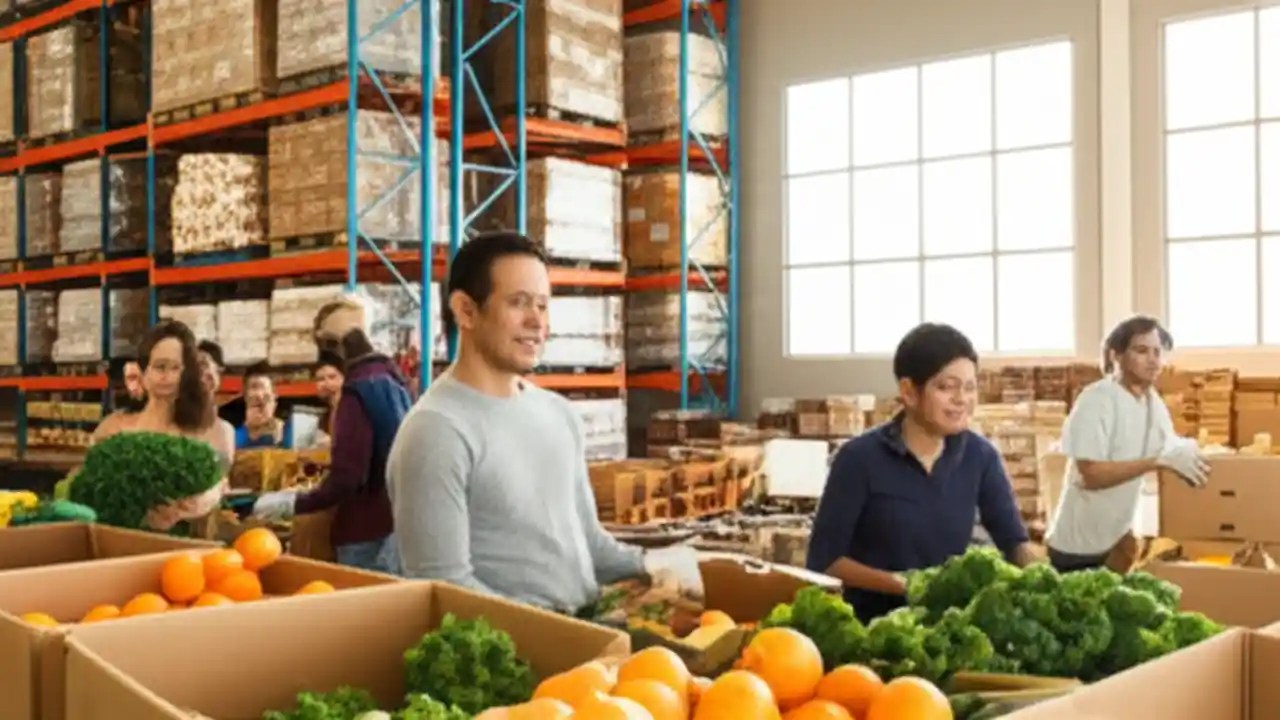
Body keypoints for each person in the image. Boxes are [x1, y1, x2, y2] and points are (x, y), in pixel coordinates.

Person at [385, 231, 701, 613]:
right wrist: (559, 635)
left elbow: (588, 544)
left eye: (543, 305)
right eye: (518, 303)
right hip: (518, 660)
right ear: (466, 310)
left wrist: (656, 565)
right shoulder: (437, 431)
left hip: (586, 643)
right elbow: (442, 588)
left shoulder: (558, 414)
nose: (536, 321)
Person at [806, 323, 1035, 622]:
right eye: (946, 387)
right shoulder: (858, 460)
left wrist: (1044, 580)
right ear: (908, 392)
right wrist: (907, 585)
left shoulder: (980, 457)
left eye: (970, 387)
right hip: (871, 629)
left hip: (947, 627)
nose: (961, 399)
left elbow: (1014, 542)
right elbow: (825, 561)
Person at [250, 297, 409, 574]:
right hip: (398, 527)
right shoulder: (394, 381)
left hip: (365, 536)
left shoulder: (358, 390)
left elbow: (347, 478)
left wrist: (293, 502)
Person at [1045, 316, 1209, 573]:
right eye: (1142, 351)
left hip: (1115, 541)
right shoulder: (1097, 400)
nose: (1153, 360)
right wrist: (1155, 462)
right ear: (1116, 355)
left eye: (1158, 352)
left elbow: (1169, 444)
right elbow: (1092, 475)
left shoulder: (1151, 402)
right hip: (1078, 548)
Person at [92, 321, 232, 530]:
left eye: (176, 368)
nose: (167, 377)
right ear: (143, 371)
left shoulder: (217, 430)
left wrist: (206, 498)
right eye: (159, 367)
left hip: (190, 549)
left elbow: (220, 482)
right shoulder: (112, 429)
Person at [195, 340, 237, 471]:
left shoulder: (225, 430)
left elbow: (224, 472)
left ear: (219, 373)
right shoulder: (173, 426)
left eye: (203, 364)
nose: (199, 374)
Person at [235, 370, 293, 450]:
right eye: (255, 401)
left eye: (266, 399)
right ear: (245, 399)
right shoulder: (234, 437)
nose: (259, 394)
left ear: (274, 400)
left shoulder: (289, 433)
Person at [314, 351, 345, 437]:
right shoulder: (326, 415)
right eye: (320, 379)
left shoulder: (353, 410)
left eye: (332, 377)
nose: (326, 383)